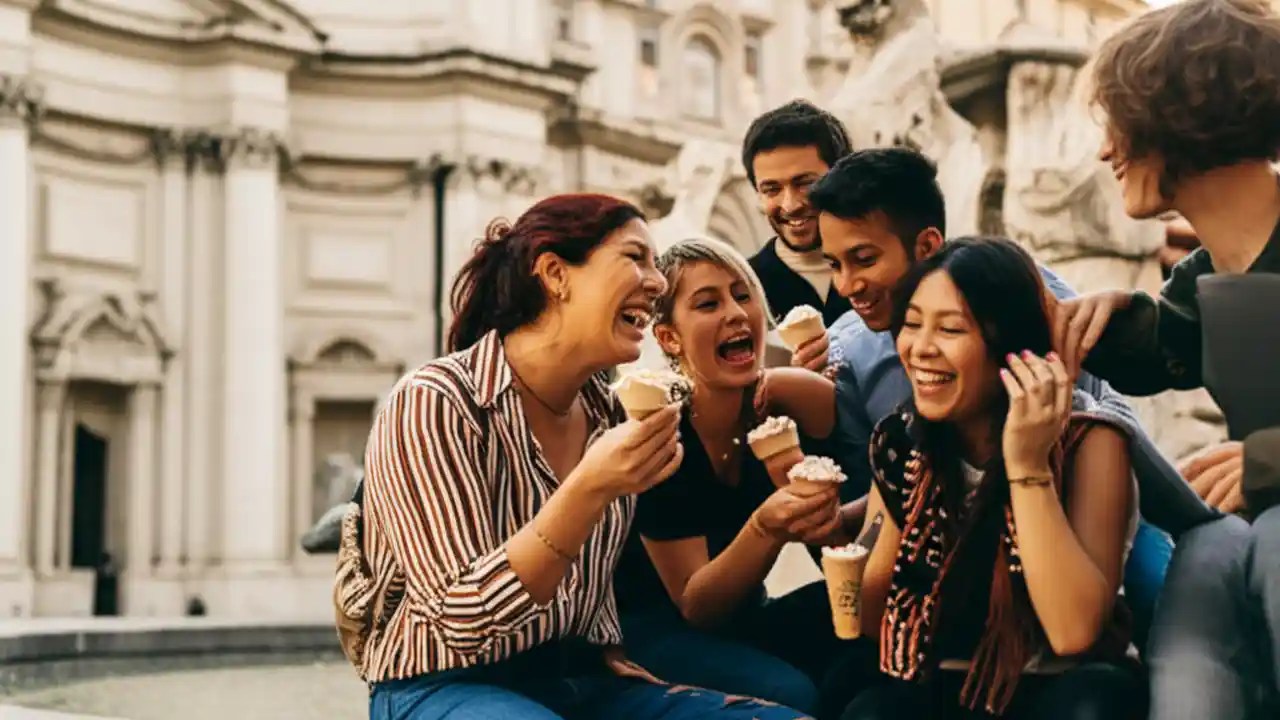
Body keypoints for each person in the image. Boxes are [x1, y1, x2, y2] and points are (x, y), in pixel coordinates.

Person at [335, 194, 810, 720]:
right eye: (635, 258)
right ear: (556, 274)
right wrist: (589, 489)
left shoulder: (609, 412)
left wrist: (604, 647)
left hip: (577, 676)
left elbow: (597, 584)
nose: (655, 282)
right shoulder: (436, 400)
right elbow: (461, 617)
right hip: (443, 683)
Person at [807, 147, 1211, 652]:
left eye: (864, 259)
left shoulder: (1023, 294)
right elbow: (888, 500)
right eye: (833, 265)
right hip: (954, 553)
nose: (847, 284)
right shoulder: (851, 354)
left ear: (927, 245)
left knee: (1172, 610)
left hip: (1074, 510)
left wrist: (1025, 461)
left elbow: (1085, 426)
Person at [1050, 2, 1280, 717]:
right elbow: (1158, 353)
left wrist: (1269, 459)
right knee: (1196, 614)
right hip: (1239, 542)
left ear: (1181, 113)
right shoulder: (1204, 279)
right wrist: (1116, 310)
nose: (1104, 151)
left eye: (1119, 122)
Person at [841, 237, 1145, 719]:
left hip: (1060, 683)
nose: (920, 349)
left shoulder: (1090, 441)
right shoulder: (904, 440)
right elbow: (870, 619)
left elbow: (1073, 631)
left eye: (951, 329)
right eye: (912, 324)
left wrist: (1027, 466)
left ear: (1009, 345)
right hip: (946, 676)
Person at [617, 237, 854, 716]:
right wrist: (767, 527)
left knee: (873, 638)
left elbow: (841, 532)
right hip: (652, 632)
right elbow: (696, 606)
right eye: (708, 303)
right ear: (668, 338)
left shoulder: (784, 397)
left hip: (748, 616)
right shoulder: (664, 435)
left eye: (743, 294)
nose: (736, 312)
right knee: (795, 694)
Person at [743, 100, 855, 362]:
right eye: (772, 189)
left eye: (806, 184)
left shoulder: (883, 273)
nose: (790, 205)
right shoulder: (744, 287)